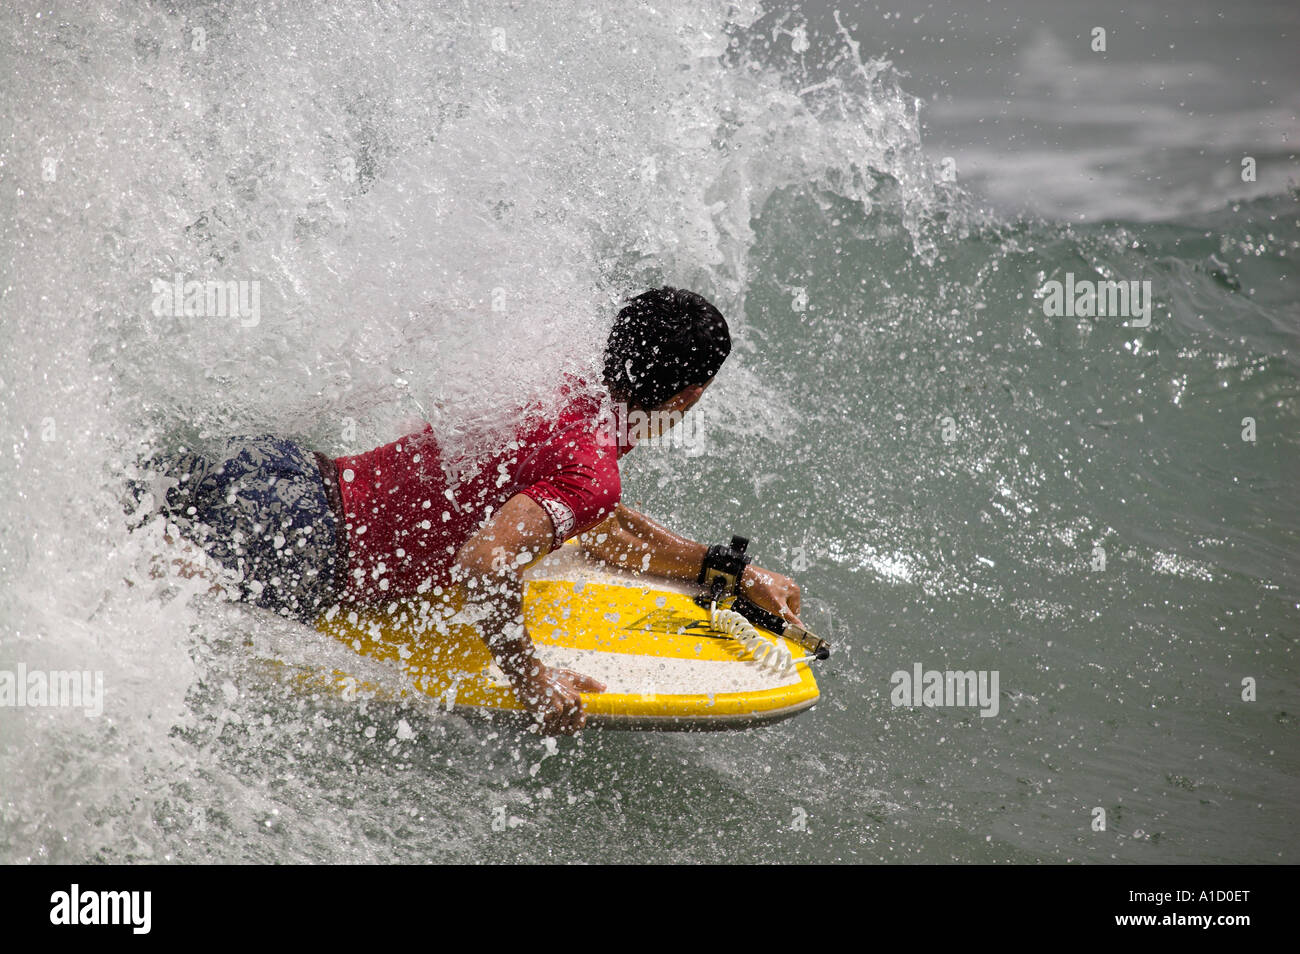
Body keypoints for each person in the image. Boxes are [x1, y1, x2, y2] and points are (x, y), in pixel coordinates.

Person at [131, 287, 804, 734]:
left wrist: (724, 567)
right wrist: (532, 680)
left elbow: (595, 524)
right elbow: (483, 564)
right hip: (297, 547)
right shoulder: (589, 468)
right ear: (685, 398)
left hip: (274, 471)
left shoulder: (559, 372)